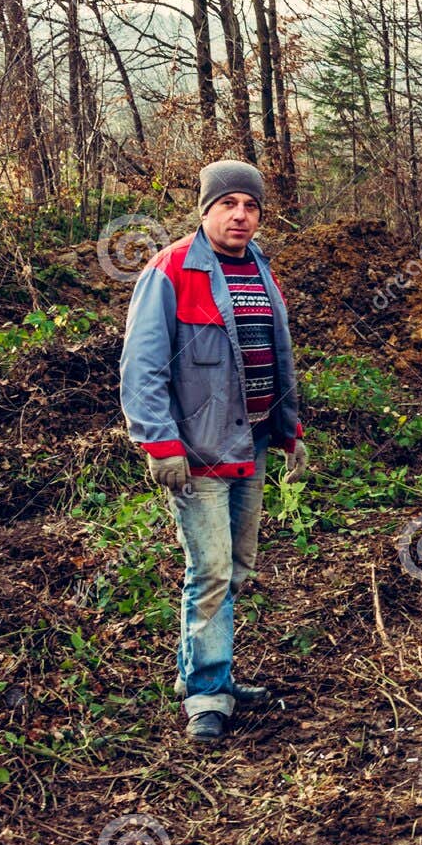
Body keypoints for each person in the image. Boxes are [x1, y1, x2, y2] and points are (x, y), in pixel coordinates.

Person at [118, 160, 309, 744]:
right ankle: (206, 693)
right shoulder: (170, 269)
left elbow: (275, 355)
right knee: (211, 571)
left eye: (251, 207)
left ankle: (206, 672)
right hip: (196, 453)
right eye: (228, 205)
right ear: (205, 211)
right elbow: (141, 366)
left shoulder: (260, 269)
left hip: (249, 444)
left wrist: (289, 429)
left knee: (238, 571)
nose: (241, 216)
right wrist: (159, 442)